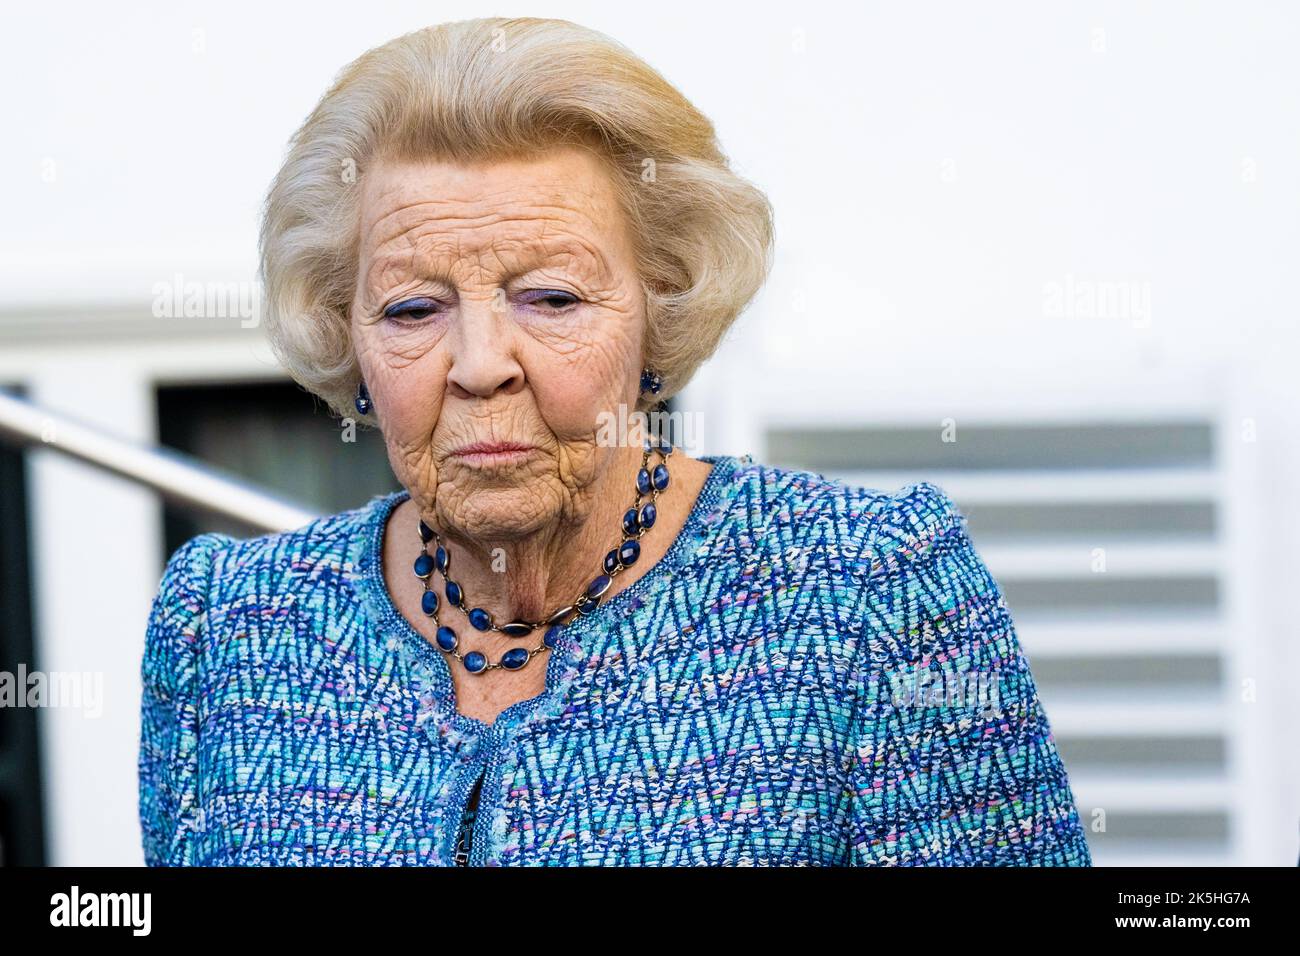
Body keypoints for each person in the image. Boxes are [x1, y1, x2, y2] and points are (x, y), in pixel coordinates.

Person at [138, 16, 1091, 866]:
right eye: (413, 307)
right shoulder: (227, 628)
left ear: (659, 314)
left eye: (551, 297)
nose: (480, 364)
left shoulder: (866, 588)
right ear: (346, 339)